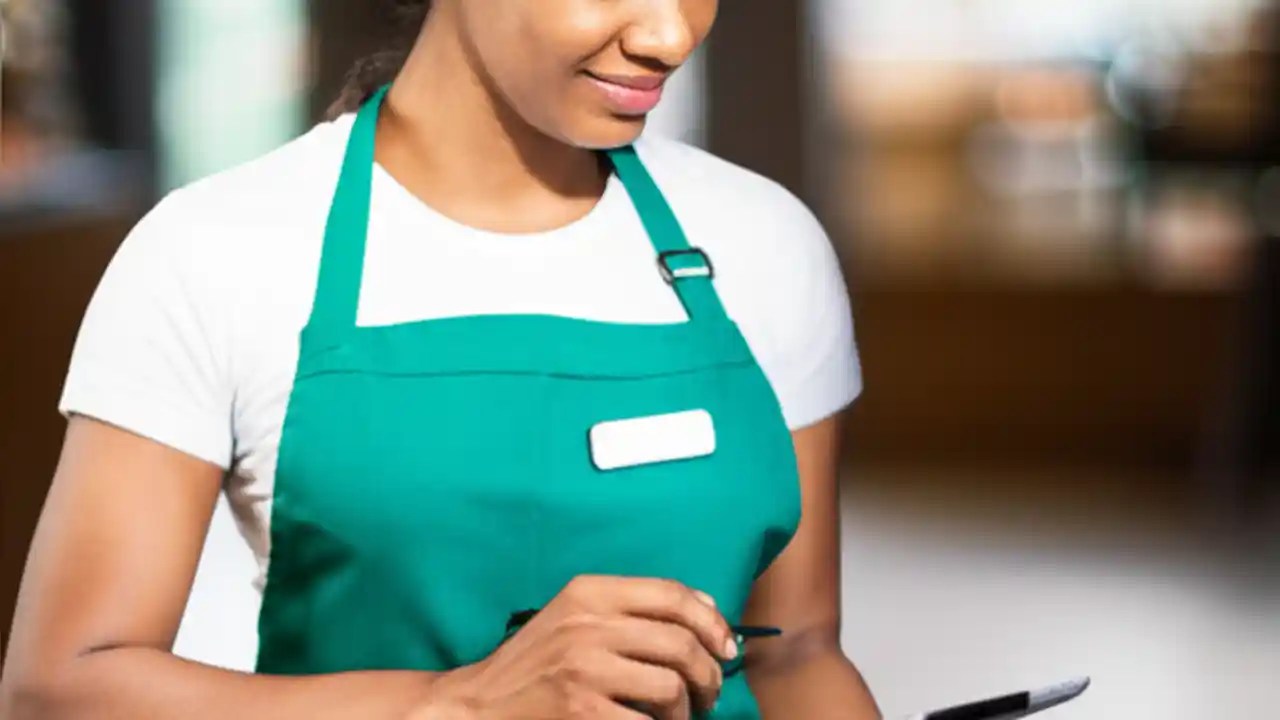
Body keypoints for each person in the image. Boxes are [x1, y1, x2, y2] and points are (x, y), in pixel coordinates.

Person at [0, 1, 879, 718]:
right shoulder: (218, 252)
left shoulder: (765, 244)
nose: (669, 34)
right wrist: (458, 703)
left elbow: (797, 652)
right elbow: (61, 686)